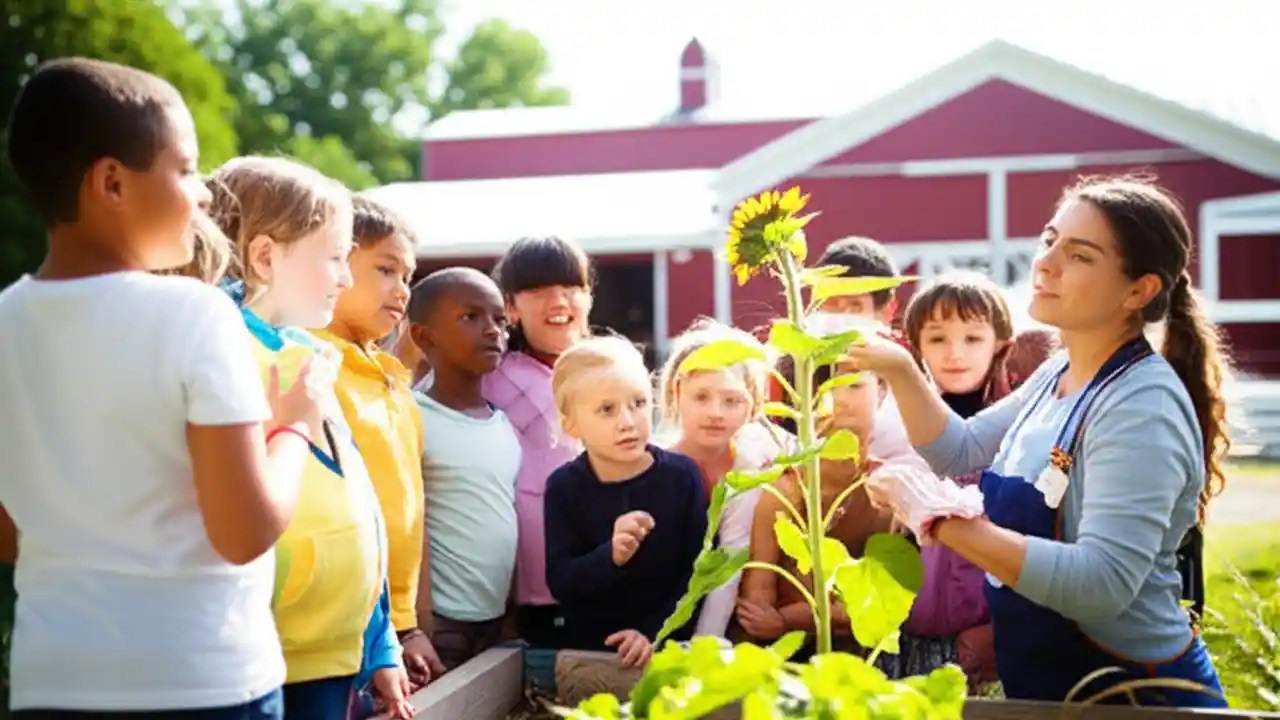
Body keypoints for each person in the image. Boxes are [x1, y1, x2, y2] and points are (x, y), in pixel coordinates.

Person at [0, 58, 322, 718]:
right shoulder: (194, 314)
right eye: (184, 169)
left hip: (51, 684)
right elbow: (244, 531)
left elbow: (10, 538)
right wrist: (293, 423)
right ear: (111, 182)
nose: (205, 194)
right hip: (204, 683)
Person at [852, 176, 1230, 707]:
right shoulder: (1058, 373)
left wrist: (936, 517)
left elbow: (1100, 585)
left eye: (1079, 255)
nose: (1045, 263)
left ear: (1138, 290)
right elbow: (957, 449)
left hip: (1136, 698)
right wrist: (898, 368)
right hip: (1054, 693)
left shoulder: (1142, 408)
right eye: (1050, 240)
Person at [208, 157, 413, 719]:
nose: (346, 277)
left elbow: (356, 499)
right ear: (266, 256)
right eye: (334, 257)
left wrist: (381, 646)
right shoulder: (218, 353)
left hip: (332, 655)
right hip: (265, 657)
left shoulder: (310, 354)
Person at [892, 271, 1057, 688]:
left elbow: (1042, 541)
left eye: (972, 338)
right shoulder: (898, 426)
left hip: (988, 640)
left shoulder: (1018, 430)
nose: (954, 353)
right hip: (903, 633)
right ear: (915, 347)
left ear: (1001, 344)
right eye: (938, 339)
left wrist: (999, 630)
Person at [313, 196, 445, 689]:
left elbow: (410, 513)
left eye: (408, 277)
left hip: (391, 627)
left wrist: (409, 626)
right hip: (332, 628)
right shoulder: (311, 366)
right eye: (386, 269)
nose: (402, 290)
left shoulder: (395, 380)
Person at [737, 363, 937, 662]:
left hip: (860, 664)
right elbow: (757, 607)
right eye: (827, 387)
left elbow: (877, 613)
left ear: (882, 392)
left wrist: (792, 617)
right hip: (781, 661)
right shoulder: (785, 487)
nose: (840, 398)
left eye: (854, 385)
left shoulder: (888, 490)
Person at [543, 337, 708, 667]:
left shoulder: (681, 477)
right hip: (592, 654)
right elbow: (562, 582)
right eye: (607, 410)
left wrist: (652, 632)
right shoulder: (564, 487)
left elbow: (698, 574)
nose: (628, 422)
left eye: (639, 403)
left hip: (669, 649)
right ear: (570, 424)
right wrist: (610, 556)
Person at [407, 267, 522, 671]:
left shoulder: (502, 423)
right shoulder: (413, 417)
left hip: (496, 619)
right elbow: (409, 525)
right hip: (441, 624)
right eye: (471, 317)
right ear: (424, 336)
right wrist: (417, 625)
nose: (493, 331)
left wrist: (509, 611)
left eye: (499, 319)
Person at [482, 236, 594, 647]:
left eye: (571, 288)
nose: (559, 300)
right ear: (511, 308)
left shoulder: (606, 369)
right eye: (540, 291)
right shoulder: (494, 376)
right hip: (534, 570)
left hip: (601, 558)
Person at [656, 318, 783, 638]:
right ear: (677, 392)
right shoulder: (655, 468)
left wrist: (704, 650)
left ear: (752, 403)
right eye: (701, 397)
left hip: (732, 629)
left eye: (732, 401)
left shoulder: (750, 470)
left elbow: (730, 565)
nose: (716, 412)